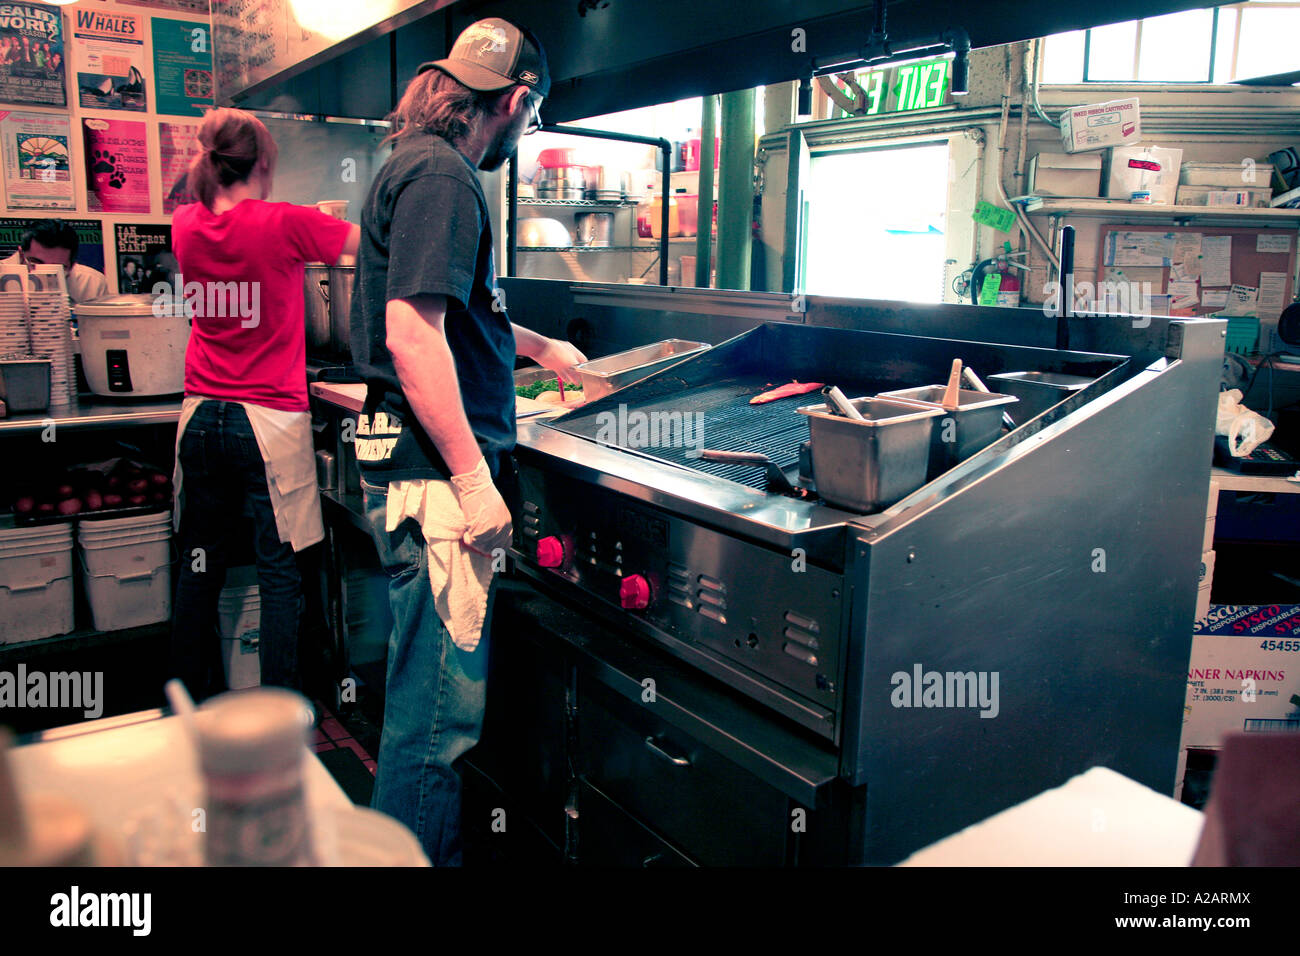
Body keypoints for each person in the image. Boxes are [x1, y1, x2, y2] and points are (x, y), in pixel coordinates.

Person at [352, 17, 586, 866]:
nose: (527, 133)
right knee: (435, 724)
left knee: (424, 705)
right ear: (518, 100)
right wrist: (474, 478)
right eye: (533, 116)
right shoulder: (447, 177)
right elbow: (414, 336)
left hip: (406, 469)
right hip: (436, 485)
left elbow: (455, 312)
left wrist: (536, 346)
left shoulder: (412, 165)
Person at [169, 107, 359, 699]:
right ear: (265, 163)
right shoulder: (286, 223)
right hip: (266, 422)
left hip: (200, 416)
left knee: (199, 566)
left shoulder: (183, 224)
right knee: (281, 572)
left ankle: (185, 705)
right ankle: (279, 715)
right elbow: (372, 247)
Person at [5, 219, 108, 303]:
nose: (44, 275)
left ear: (72, 266)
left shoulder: (92, 283)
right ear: (21, 256)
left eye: (56, 268)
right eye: (36, 263)